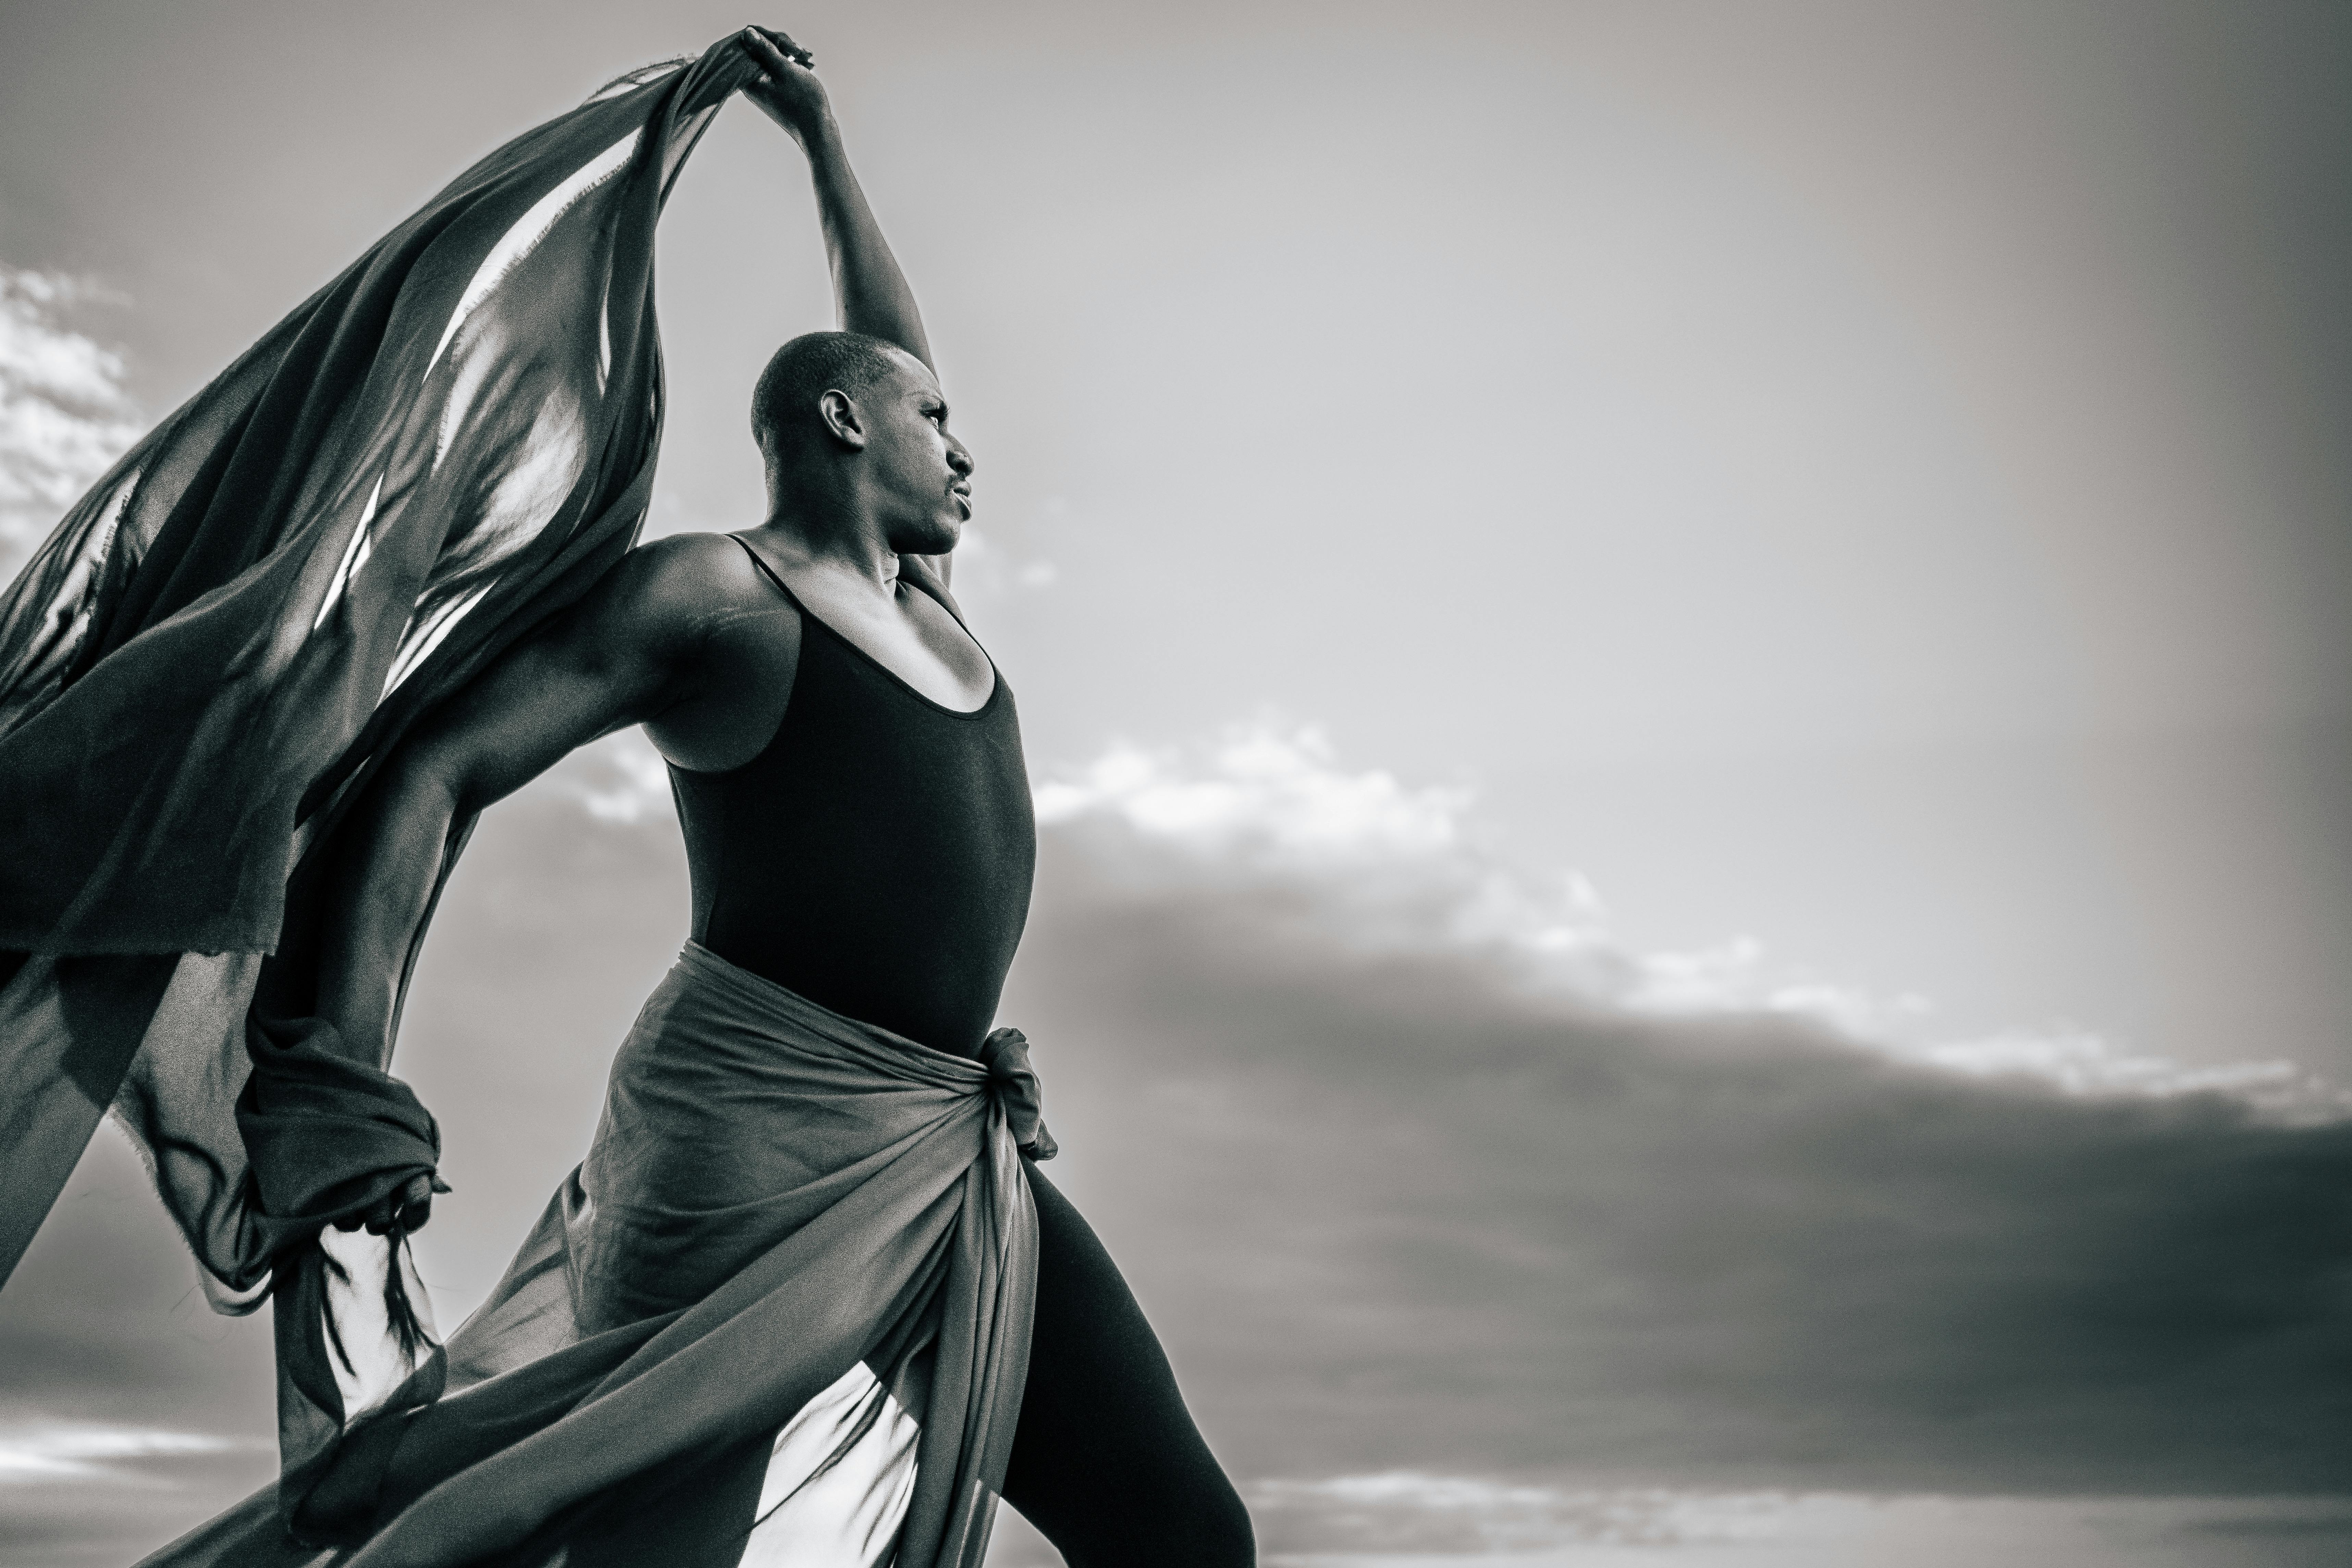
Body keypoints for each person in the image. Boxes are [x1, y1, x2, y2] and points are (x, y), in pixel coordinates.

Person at [251, 25, 1253, 1568]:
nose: (967, 448)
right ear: (845, 425)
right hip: (738, 1142)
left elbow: (890, 339)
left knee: (1182, 1531)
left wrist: (820, 138)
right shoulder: (717, 598)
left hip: (937, 1139)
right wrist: (347, 1074)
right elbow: (439, 768)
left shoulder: (920, 595)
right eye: (933, 421)